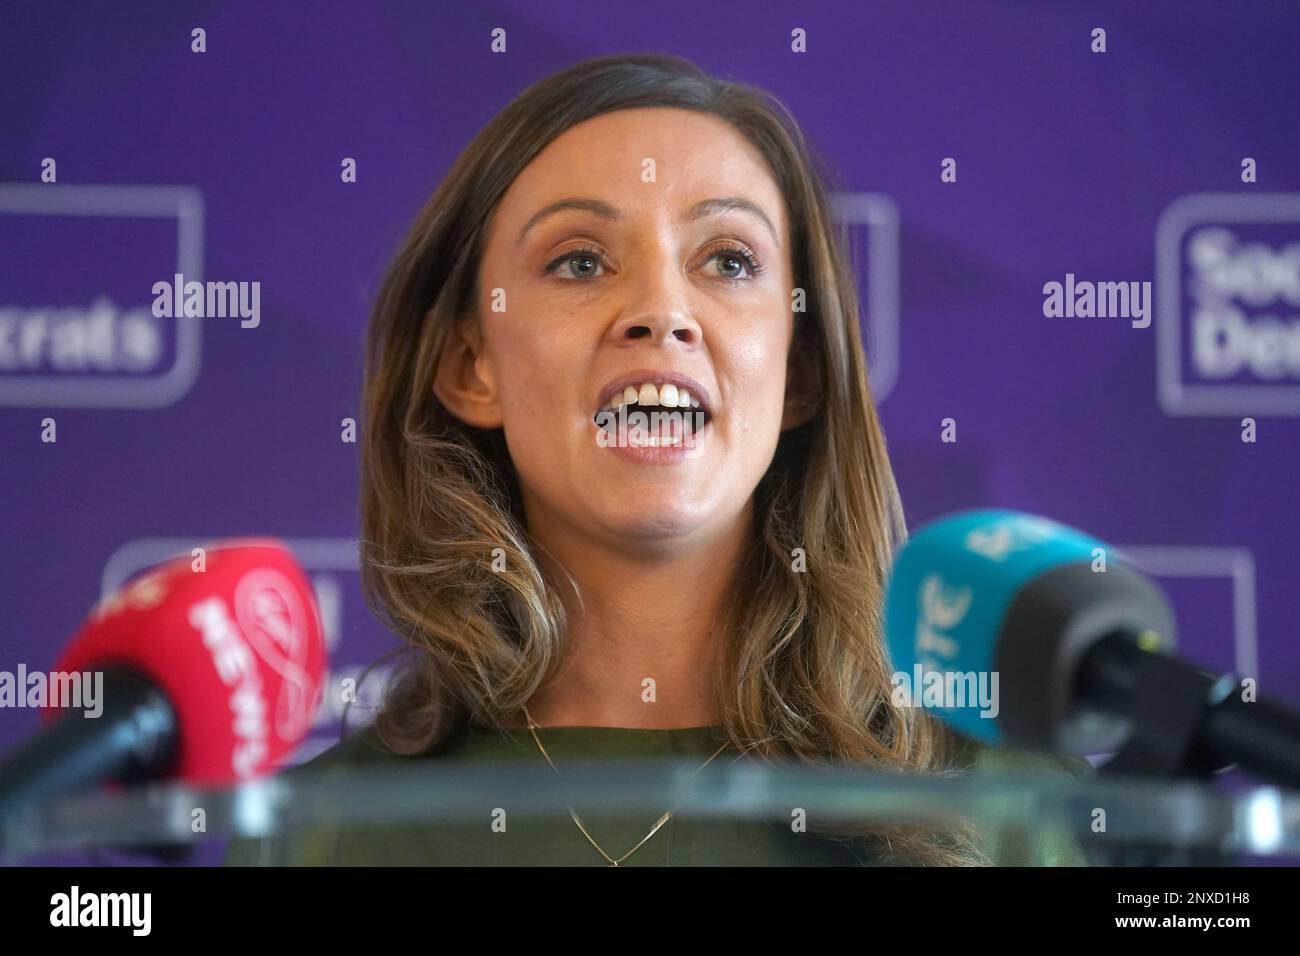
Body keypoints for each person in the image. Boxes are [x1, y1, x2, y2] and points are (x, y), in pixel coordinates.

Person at [224, 52, 1089, 867]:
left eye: (729, 260)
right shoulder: (317, 836)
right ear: (469, 366)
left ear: (800, 373)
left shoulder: (1015, 809)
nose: (660, 311)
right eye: (579, 261)